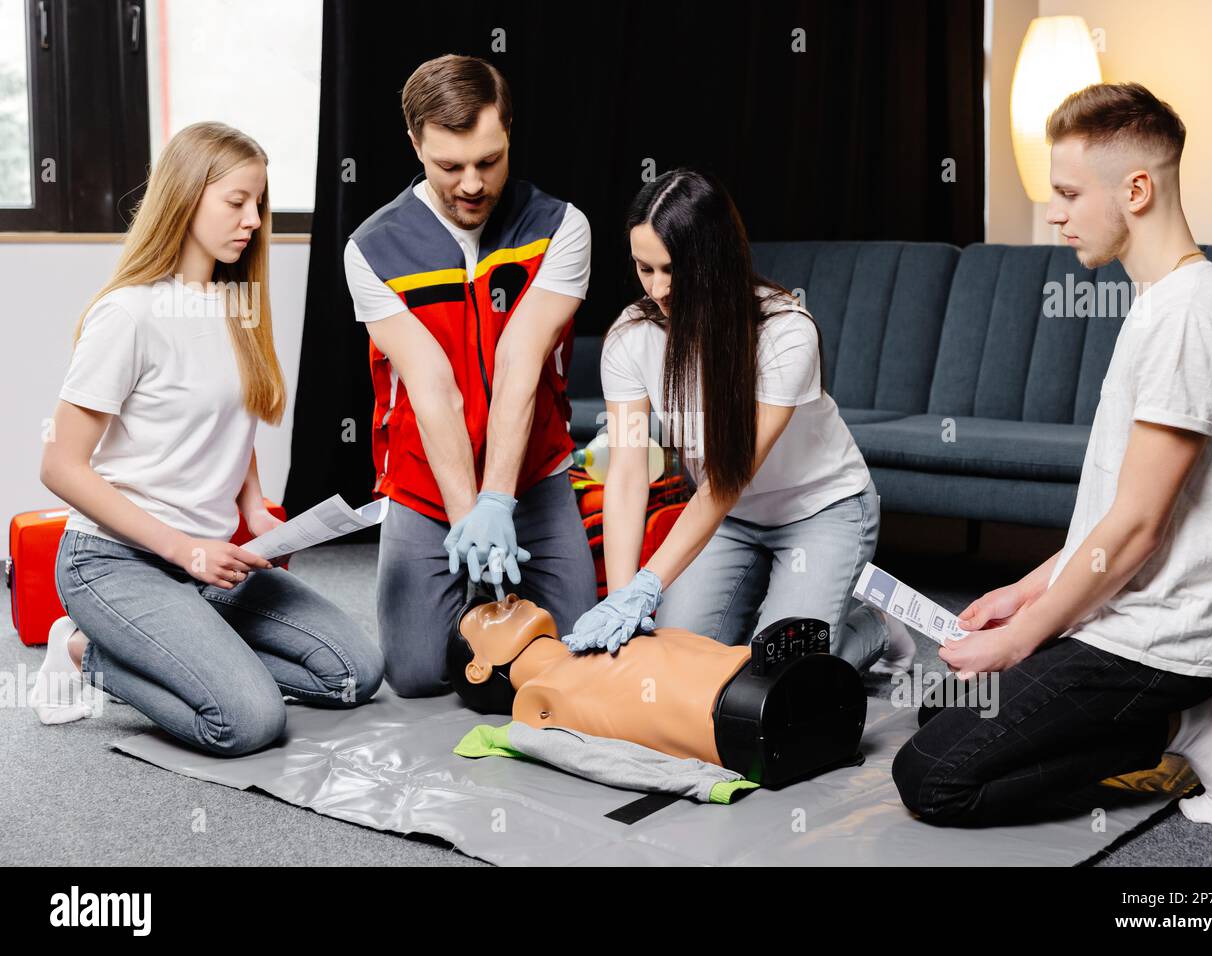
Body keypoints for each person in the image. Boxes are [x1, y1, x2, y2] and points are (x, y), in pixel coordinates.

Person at [892, 83, 1212, 827]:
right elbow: (1113, 514)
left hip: (1160, 642)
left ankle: (1181, 729)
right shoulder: (1164, 304)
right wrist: (1025, 596)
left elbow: (1135, 529)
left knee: (934, 779)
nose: (1054, 213)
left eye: (1069, 192)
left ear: (1136, 189)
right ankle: (1165, 723)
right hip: (1121, 613)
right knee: (943, 709)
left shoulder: (1189, 319)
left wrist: (1019, 641)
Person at [32, 122, 384, 755]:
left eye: (259, 203)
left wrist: (252, 507)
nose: (252, 219)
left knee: (355, 673)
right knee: (249, 722)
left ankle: (192, 649)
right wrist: (184, 549)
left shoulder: (235, 306)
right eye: (236, 201)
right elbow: (60, 466)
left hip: (210, 564)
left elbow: (229, 418)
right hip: (115, 562)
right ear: (187, 197)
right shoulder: (129, 314)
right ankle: (85, 649)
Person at [561, 168, 911, 674]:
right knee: (671, 668)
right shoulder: (630, 337)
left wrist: (650, 583)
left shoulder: (786, 332)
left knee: (781, 675)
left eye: (672, 269)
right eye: (644, 269)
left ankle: (872, 624)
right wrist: (623, 598)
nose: (658, 289)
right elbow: (629, 469)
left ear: (714, 261)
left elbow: (727, 479)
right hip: (729, 522)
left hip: (819, 510)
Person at [345, 55, 597, 696]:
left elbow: (520, 366)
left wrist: (499, 502)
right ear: (415, 145)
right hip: (427, 486)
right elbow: (432, 386)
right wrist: (469, 520)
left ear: (509, 132)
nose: (472, 185)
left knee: (570, 662)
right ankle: (467, 603)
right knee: (417, 674)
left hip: (532, 478)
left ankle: (493, 603)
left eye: (489, 161)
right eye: (449, 167)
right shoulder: (371, 250)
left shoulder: (561, 229)